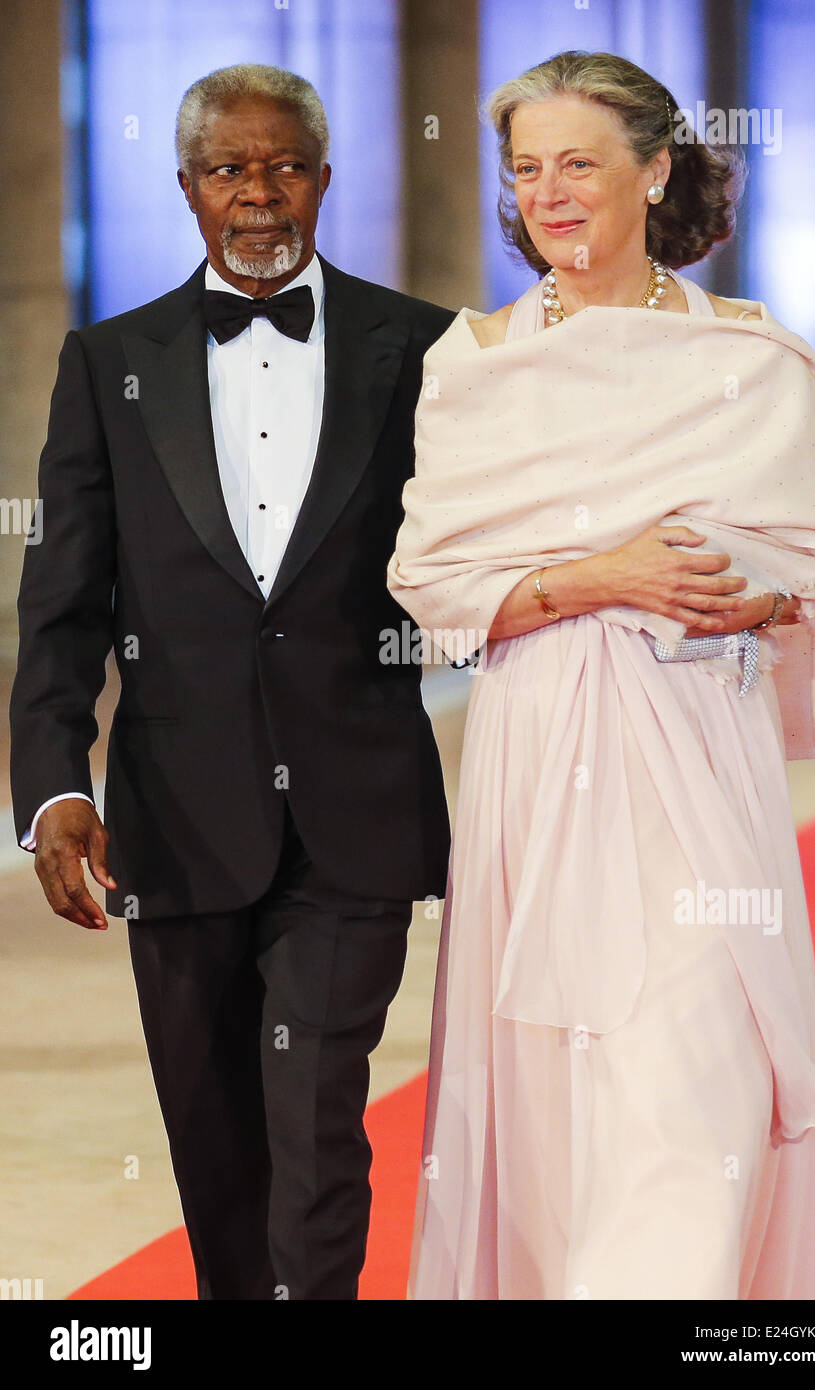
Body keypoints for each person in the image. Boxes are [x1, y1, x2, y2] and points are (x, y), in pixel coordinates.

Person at [387, 50, 815, 1300]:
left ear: (654, 172)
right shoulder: (473, 361)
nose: (548, 194)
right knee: (555, 1100)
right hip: (540, 756)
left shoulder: (757, 360)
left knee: (698, 1070)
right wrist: (607, 575)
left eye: (578, 164)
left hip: (700, 748)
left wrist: (758, 594)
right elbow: (433, 584)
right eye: (525, 169)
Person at [9, 63, 452, 1301]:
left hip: (353, 811)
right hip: (177, 815)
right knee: (215, 1143)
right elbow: (62, 602)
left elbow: (471, 551)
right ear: (188, 188)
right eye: (227, 170)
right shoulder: (110, 359)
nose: (258, 194)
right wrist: (50, 789)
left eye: (284, 166)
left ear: (323, 176)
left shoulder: (420, 345)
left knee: (315, 1119)